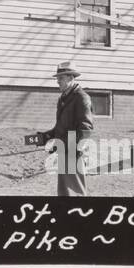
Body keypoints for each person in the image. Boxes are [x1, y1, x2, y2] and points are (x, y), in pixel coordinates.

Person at [39, 60, 95, 196]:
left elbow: (86, 129)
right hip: (65, 148)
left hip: (73, 150)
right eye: (57, 78)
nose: (58, 81)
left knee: (75, 189)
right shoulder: (63, 98)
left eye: (61, 78)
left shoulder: (82, 98)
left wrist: (74, 149)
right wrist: (46, 136)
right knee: (64, 190)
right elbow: (61, 126)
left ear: (71, 78)